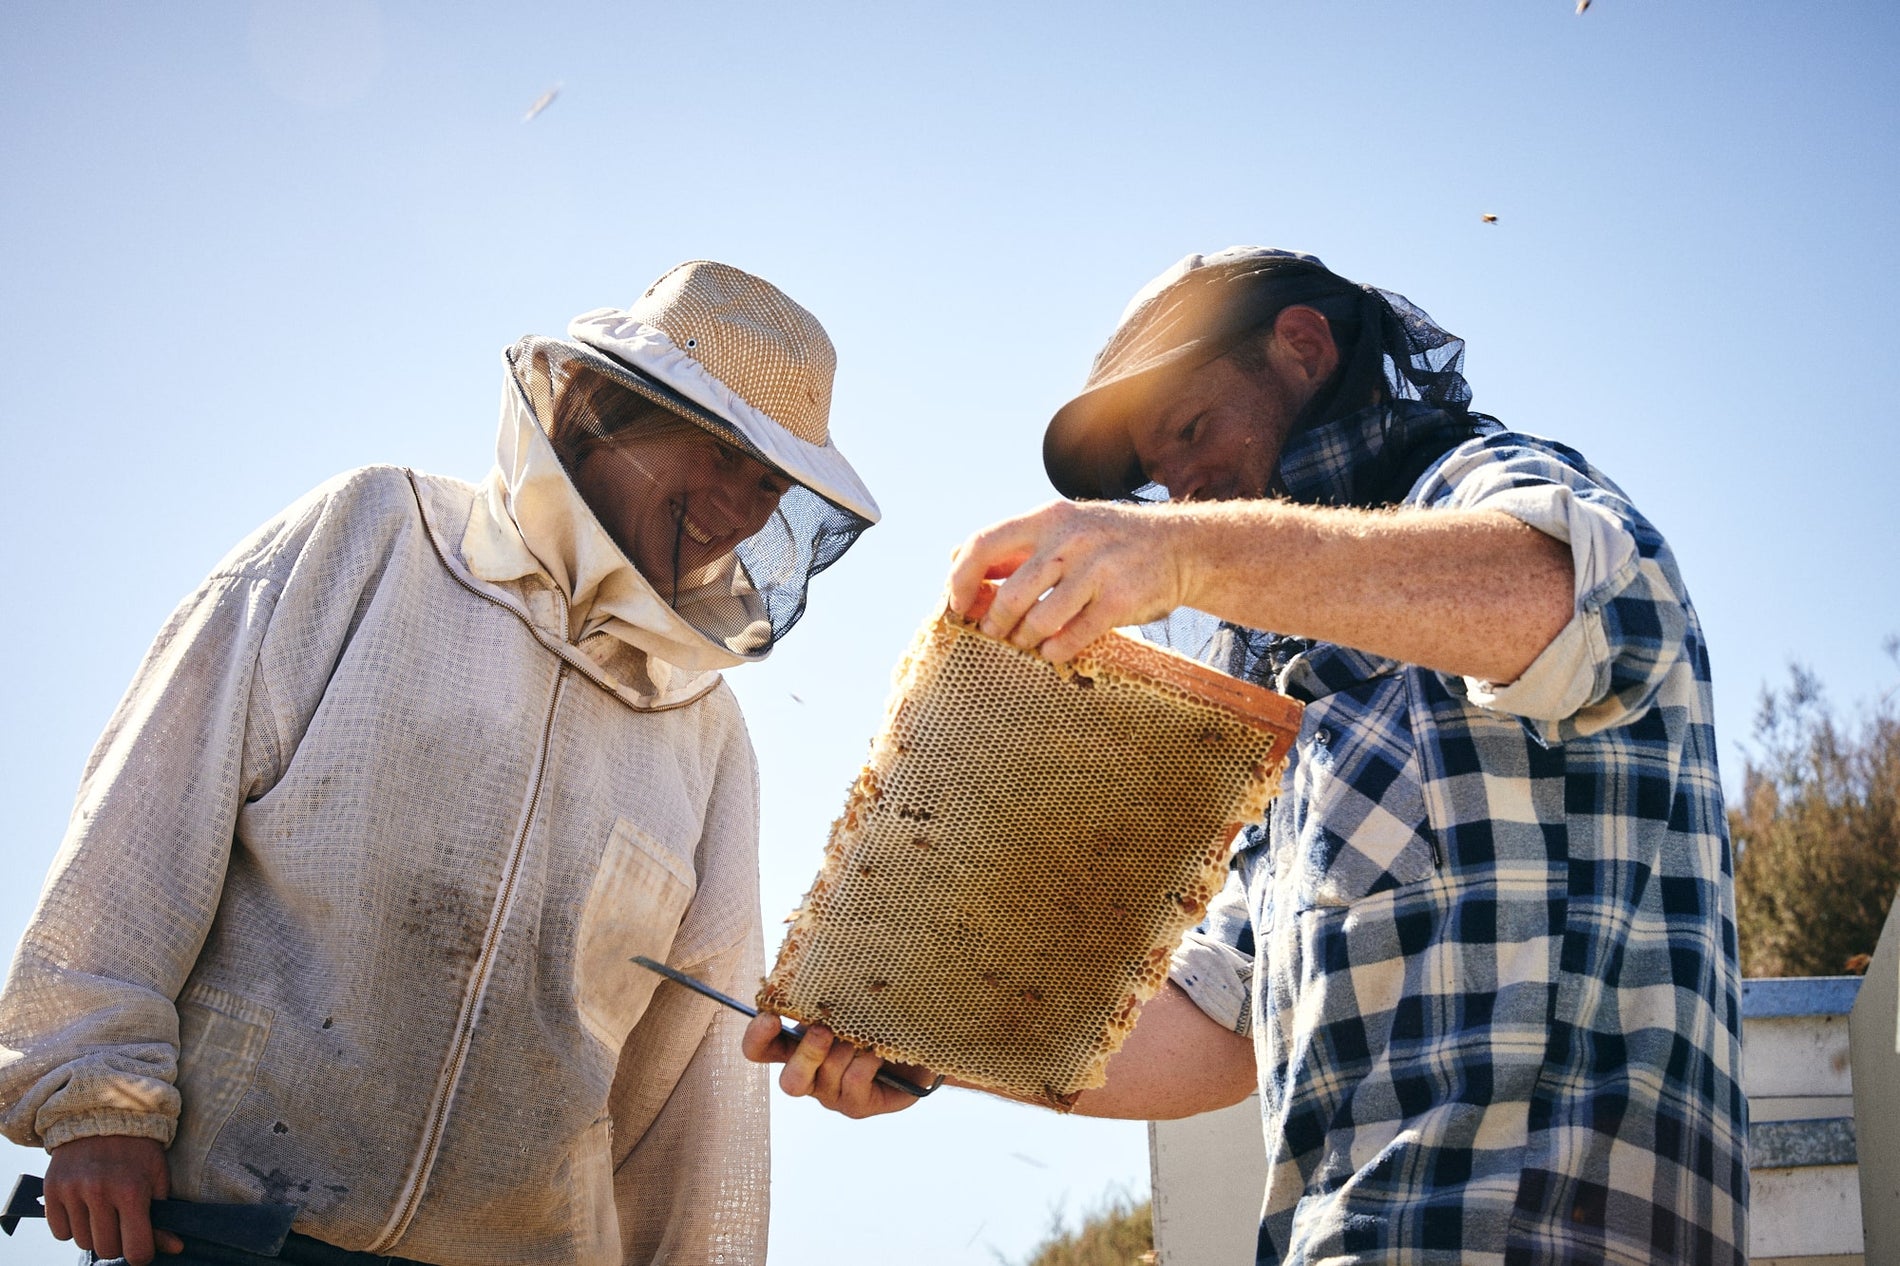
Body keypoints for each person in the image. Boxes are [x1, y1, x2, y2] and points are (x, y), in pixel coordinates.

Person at [746, 248, 1745, 1264]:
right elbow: (1216, 1026)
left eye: (1191, 429)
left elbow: (1577, 599)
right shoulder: (1284, 707)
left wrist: (1181, 553)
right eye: (1161, 477)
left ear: (1303, 349)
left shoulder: (1478, 489)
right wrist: (924, 1034)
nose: (1183, 487)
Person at [0, 260, 881, 1266]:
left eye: (769, 482)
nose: (741, 508)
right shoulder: (374, 536)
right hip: (229, 1234)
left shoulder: (705, 734)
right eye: (724, 455)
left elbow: (687, 1080)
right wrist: (98, 1099)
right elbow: (153, 804)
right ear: (609, 407)